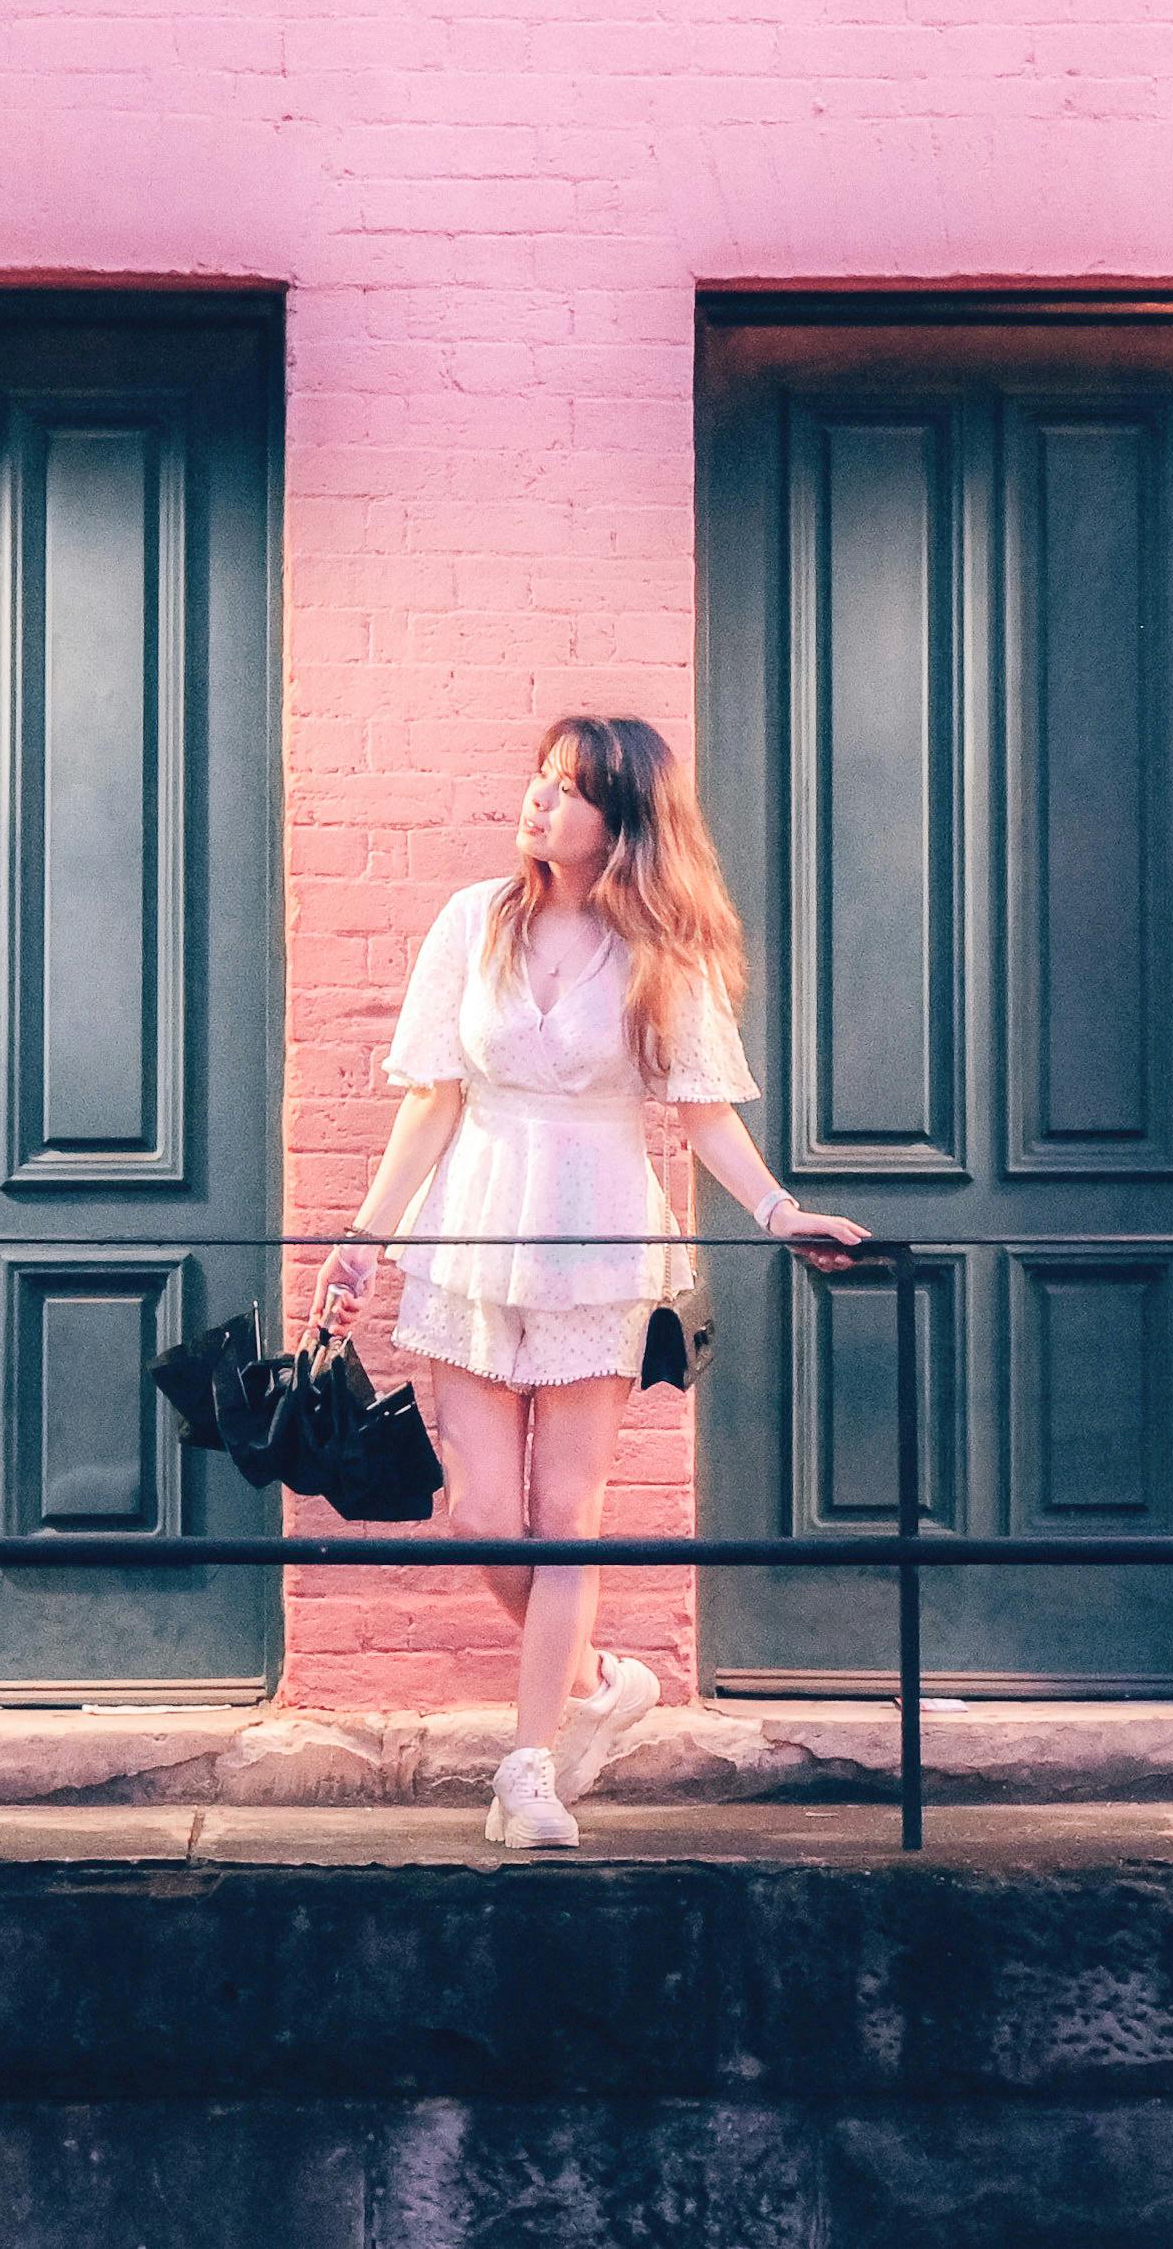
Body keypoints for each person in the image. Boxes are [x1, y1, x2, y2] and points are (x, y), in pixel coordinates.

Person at [313, 714, 866, 1850]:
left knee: (566, 1519)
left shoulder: (663, 948)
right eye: (539, 780)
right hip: (470, 1222)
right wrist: (364, 1236)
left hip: (600, 1233)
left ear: (621, 822)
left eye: (567, 790)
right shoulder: (473, 920)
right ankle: (606, 1680)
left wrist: (776, 1210)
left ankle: (527, 1775)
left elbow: (701, 1109)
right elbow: (433, 1097)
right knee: (479, 1517)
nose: (536, 801)